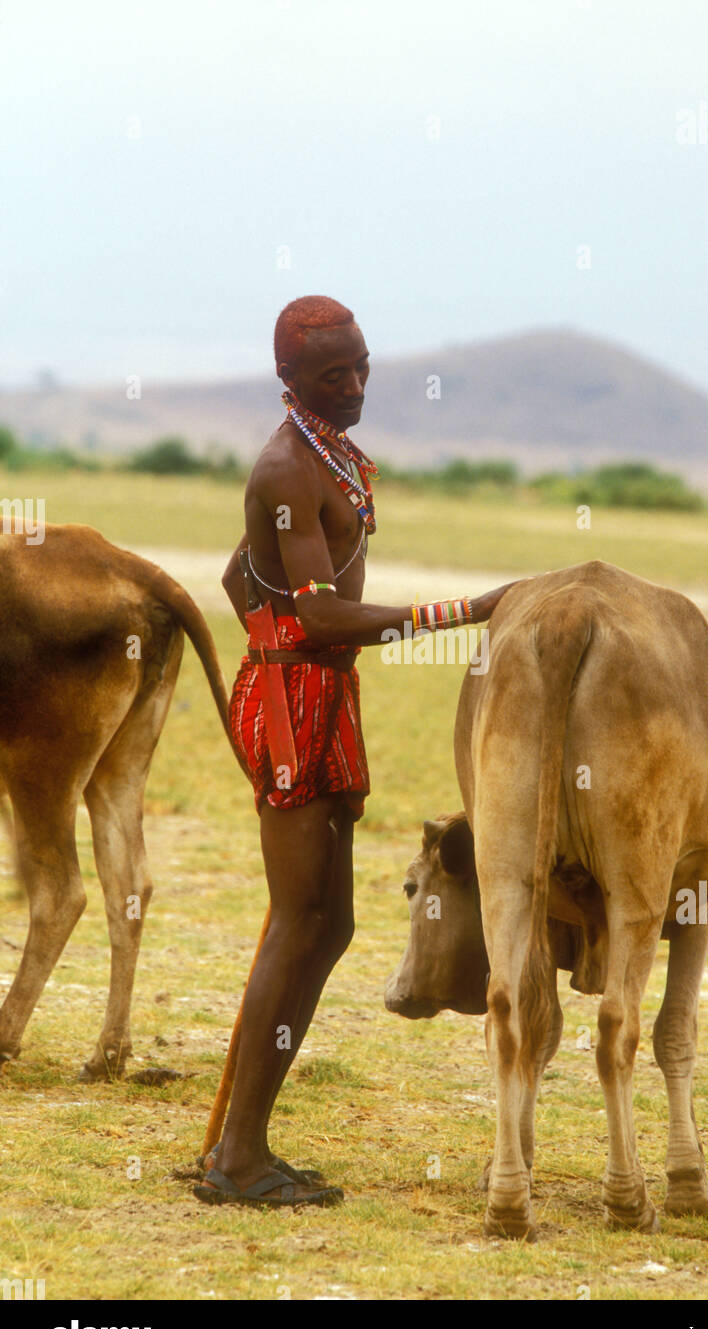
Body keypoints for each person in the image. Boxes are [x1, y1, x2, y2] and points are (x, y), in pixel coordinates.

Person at [195, 295, 513, 1206]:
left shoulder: (325, 455)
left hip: (318, 695)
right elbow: (325, 610)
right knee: (299, 925)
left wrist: (278, 638)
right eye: (335, 375)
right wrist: (467, 608)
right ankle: (237, 1163)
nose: (357, 384)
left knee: (328, 927)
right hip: (296, 711)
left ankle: (243, 1147)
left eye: (364, 366)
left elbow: (235, 573)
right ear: (289, 381)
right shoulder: (287, 467)